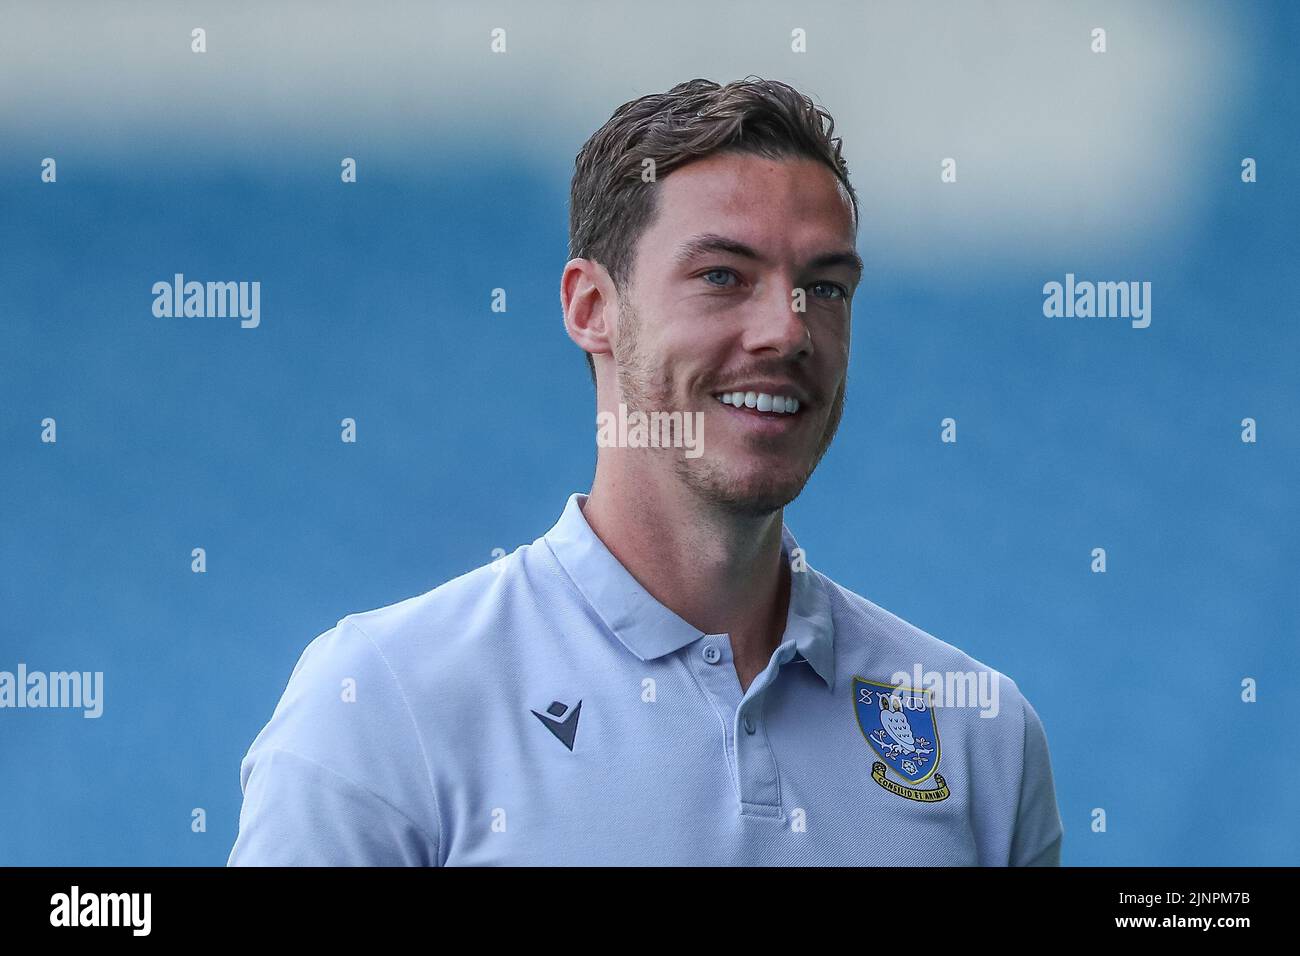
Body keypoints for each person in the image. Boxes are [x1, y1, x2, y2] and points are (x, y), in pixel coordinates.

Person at [228, 76, 1063, 866]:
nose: (789, 330)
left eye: (826, 287)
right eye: (722, 277)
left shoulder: (975, 730)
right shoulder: (382, 700)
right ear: (591, 308)